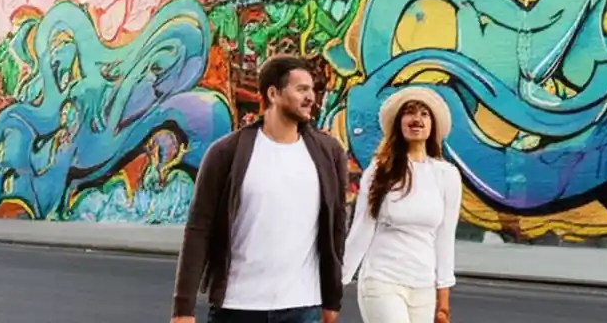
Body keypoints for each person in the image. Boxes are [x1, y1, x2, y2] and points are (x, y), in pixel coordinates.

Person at [170, 54, 349, 323]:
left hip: (303, 306)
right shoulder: (226, 153)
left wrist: (332, 297)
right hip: (237, 306)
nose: (311, 97)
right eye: (301, 89)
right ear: (273, 94)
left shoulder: (329, 153)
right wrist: (183, 309)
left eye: (312, 89)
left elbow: (336, 227)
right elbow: (199, 229)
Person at [342, 86, 462, 323]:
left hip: (423, 287)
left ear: (432, 125)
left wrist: (443, 301)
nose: (417, 119)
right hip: (382, 280)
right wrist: (337, 282)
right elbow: (362, 229)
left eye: (424, 114)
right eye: (409, 112)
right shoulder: (379, 171)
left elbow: (445, 238)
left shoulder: (446, 175)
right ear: (399, 123)